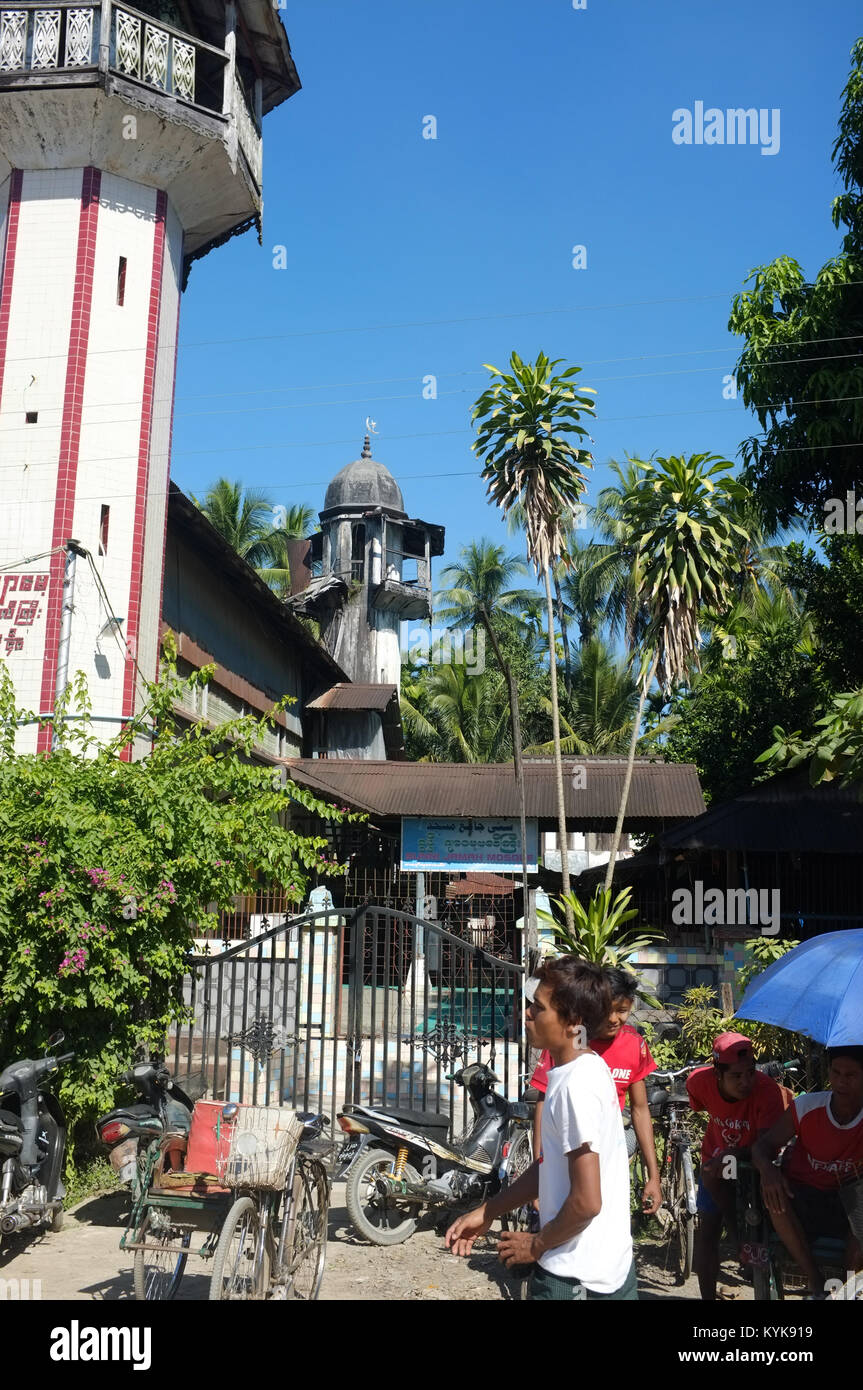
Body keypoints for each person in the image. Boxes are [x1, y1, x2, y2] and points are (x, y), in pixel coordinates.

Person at [446, 957, 636, 1300]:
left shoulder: (575, 1086)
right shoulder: (588, 1067)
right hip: (607, 1269)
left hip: (575, 1277)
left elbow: (587, 1201)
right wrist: (489, 1211)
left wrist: (537, 1244)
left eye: (539, 1007)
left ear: (573, 1023)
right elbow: (550, 1164)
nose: (528, 1013)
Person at [530, 967, 662, 1218]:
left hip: (613, 1137)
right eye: (608, 1010)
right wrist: (539, 1175)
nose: (614, 1019)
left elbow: (640, 1109)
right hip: (565, 1140)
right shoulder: (568, 1040)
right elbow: (543, 1103)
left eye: (622, 1011)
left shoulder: (634, 1045)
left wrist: (653, 1177)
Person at [752, 1045, 863, 1297]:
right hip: (804, 1196)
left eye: (851, 1075)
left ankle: (845, 1290)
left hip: (849, 1204)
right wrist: (769, 1173)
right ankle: (815, 1281)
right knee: (773, 1195)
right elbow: (762, 1148)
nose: (841, 1082)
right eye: (836, 1073)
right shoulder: (807, 1107)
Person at [686, 1032, 786, 1300]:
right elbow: (700, 1106)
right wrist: (723, 1154)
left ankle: (748, 1249)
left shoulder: (767, 1091)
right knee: (707, 1229)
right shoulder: (698, 1082)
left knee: (764, 1232)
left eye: (751, 1073)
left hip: (755, 1164)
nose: (746, 1082)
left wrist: (733, 1152)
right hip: (715, 1161)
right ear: (717, 1074)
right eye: (736, 1076)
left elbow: (767, 1144)